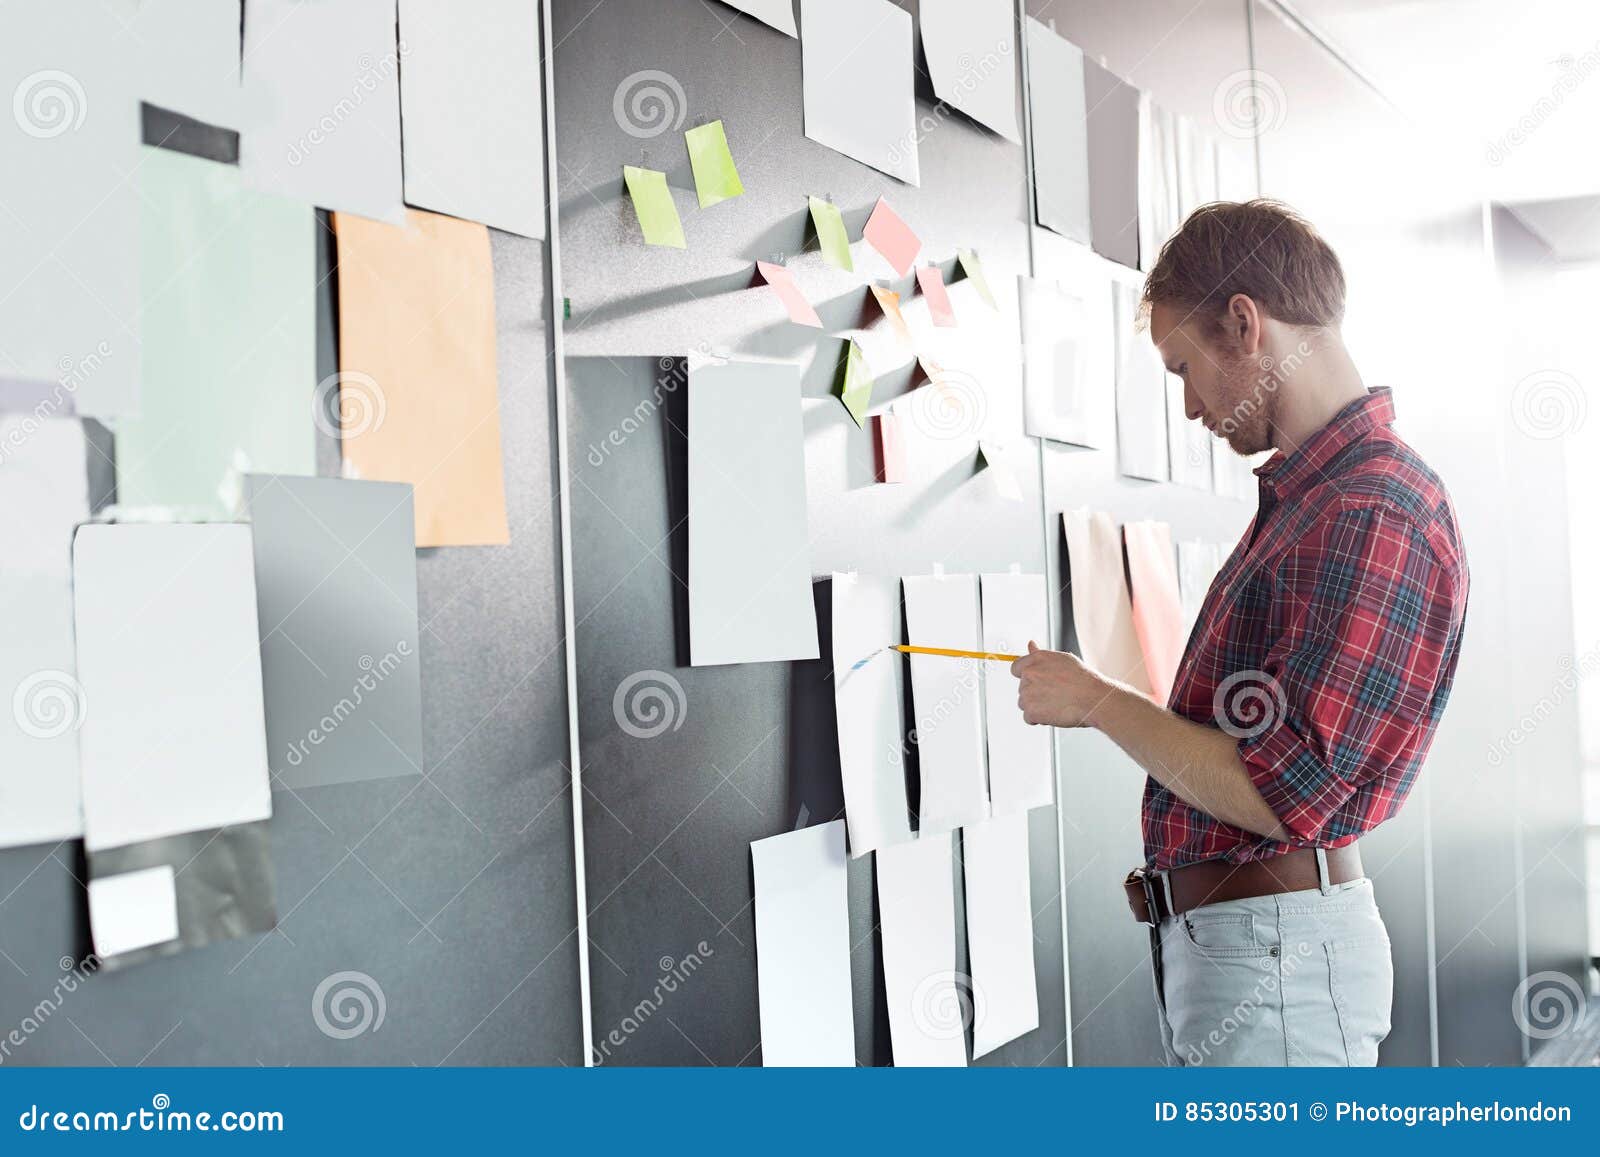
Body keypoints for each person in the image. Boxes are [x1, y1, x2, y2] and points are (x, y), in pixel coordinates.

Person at [1012, 200, 1469, 1066]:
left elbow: (1280, 797)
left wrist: (1099, 702)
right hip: (1256, 952)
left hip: (1273, 960)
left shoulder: (1369, 506)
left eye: (1183, 366)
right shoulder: (1321, 498)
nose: (1188, 407)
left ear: (1244, 324)